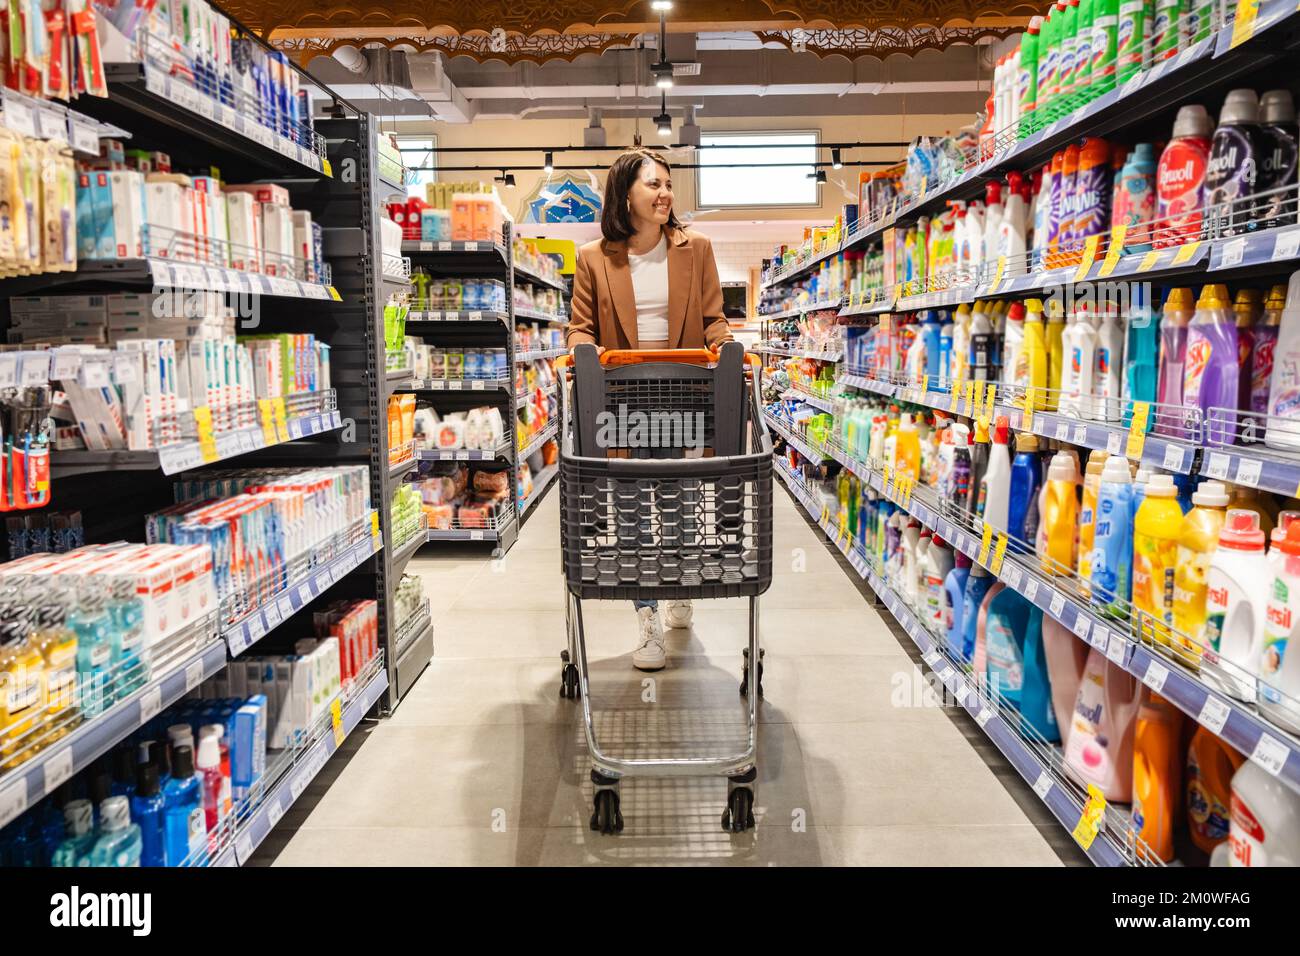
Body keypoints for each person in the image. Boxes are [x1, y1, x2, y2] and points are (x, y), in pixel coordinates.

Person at [566, 147, 734, 672]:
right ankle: (647, 618)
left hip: (683, 395)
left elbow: (712, 318)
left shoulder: (696, 248)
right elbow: (581, 328)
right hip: (623, 400)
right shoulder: (595, 257)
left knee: (681, 499)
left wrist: (729, 348)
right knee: (635, 505)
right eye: (653, 185)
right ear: (625, 194)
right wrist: (581, 354)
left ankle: (679, 586)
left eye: (667, 184)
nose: (664, 193)